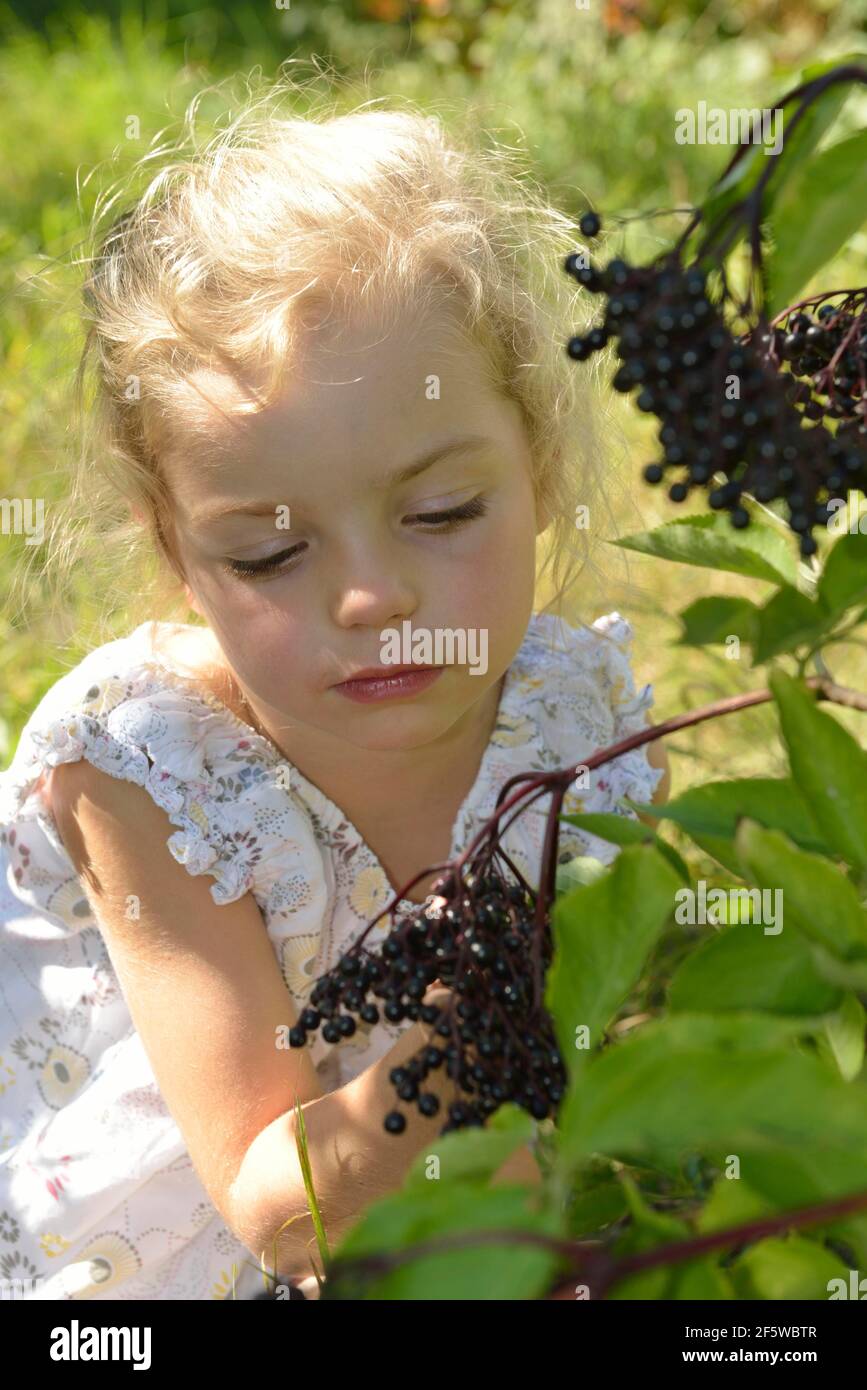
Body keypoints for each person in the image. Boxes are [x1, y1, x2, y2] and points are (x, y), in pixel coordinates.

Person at [0, 73, 670, 1301]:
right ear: (176, 555)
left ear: (539, 464)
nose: (370, 601)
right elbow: (278, 1212)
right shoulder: (150, 767)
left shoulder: (571, 715)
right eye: (269, 553)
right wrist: (481, 1023)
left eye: (442, 511)